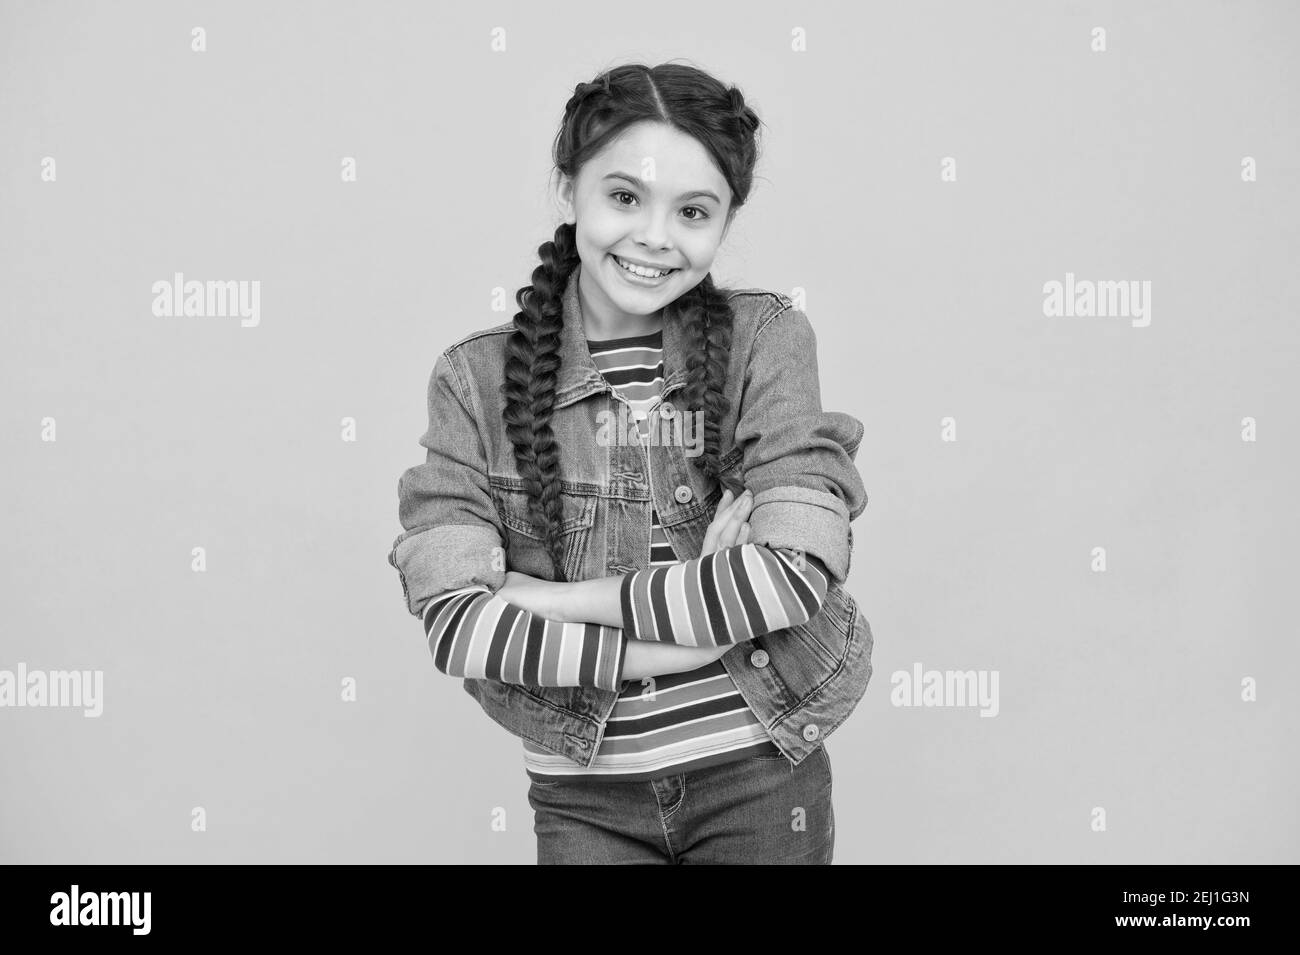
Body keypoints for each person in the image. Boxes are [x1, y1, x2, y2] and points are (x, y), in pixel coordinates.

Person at [388, 62, 873, 864]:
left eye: (692, 210)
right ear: (569, 186)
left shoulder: (767, 341)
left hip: (760, 779)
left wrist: (547, 597)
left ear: (726, 220)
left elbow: (789, 579)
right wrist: (698, 636)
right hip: (584, 799)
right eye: (624, 197)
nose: (654, 235)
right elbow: (457, 626)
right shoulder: (471, 381)